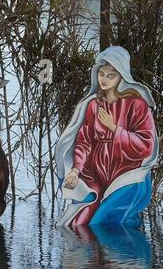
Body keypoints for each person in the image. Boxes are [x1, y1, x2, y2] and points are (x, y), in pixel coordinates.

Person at [55, 46, 157, 229]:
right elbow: (84, 140)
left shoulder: (137, 105)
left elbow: (146, 145)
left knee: (101, 223)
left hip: (124, 175)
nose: (104, 79)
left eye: (111, 75)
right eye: (102, 74)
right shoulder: (94, 105)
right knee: (79, 223)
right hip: (95, 174)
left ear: (121, 77)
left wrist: (114, 128)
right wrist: (76, 169)